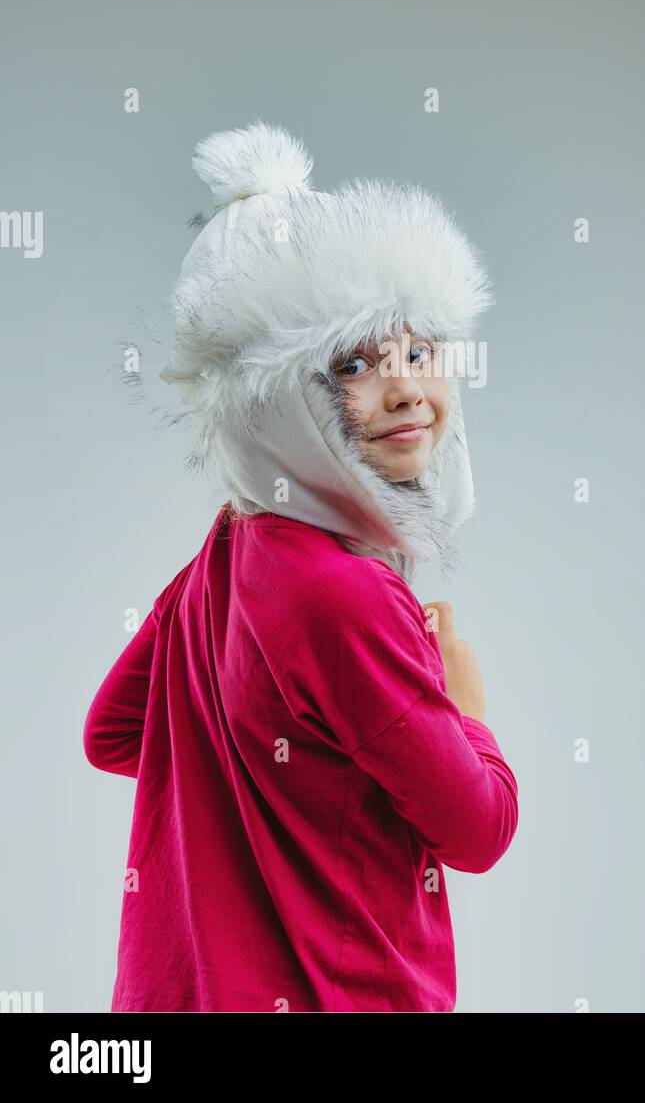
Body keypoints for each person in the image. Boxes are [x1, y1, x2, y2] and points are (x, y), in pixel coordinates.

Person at [83, 121, 518, 1012]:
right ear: (270, 398)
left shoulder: (235, 549)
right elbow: (478, 828)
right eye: (353, 362)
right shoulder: (348, 596)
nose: (404, 386)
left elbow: (116, 733)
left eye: (418, 350)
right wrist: (467, 710)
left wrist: (277, 799)